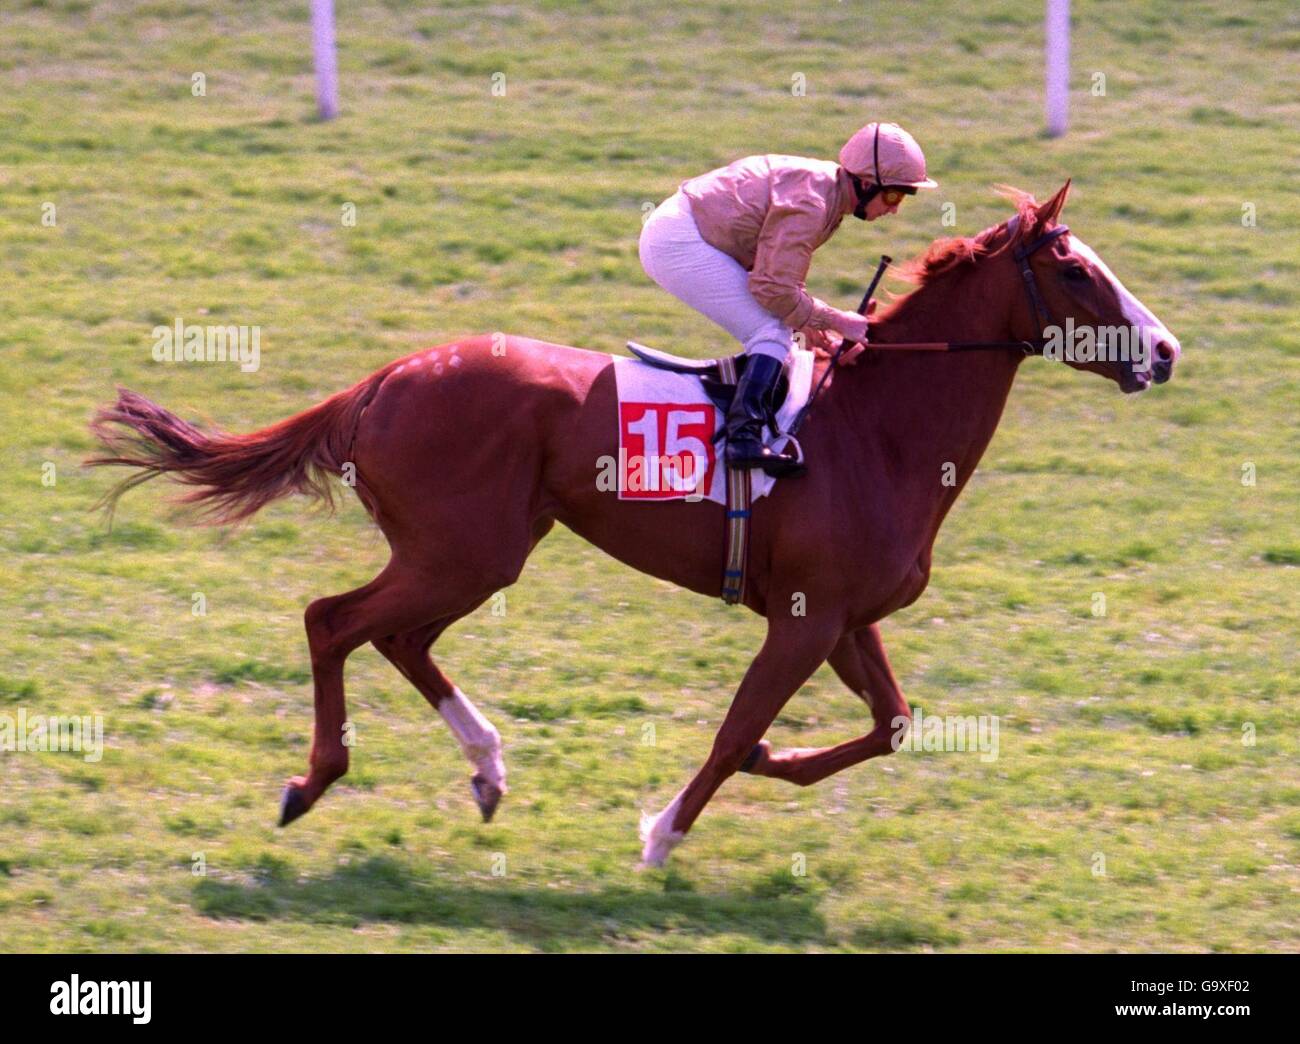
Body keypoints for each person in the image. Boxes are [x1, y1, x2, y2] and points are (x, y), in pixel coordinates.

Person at [638, 122, 938, 476]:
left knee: (777, 326)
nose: (895, 209)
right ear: (867, 183)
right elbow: (772, 290)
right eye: (894, 196)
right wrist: (838, 320)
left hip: (687, 231)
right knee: (770, 330)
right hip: (679, 243)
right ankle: (742, 439)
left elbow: (782, 284)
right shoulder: (812, 203)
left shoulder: (830, 193)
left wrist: (825, 339)